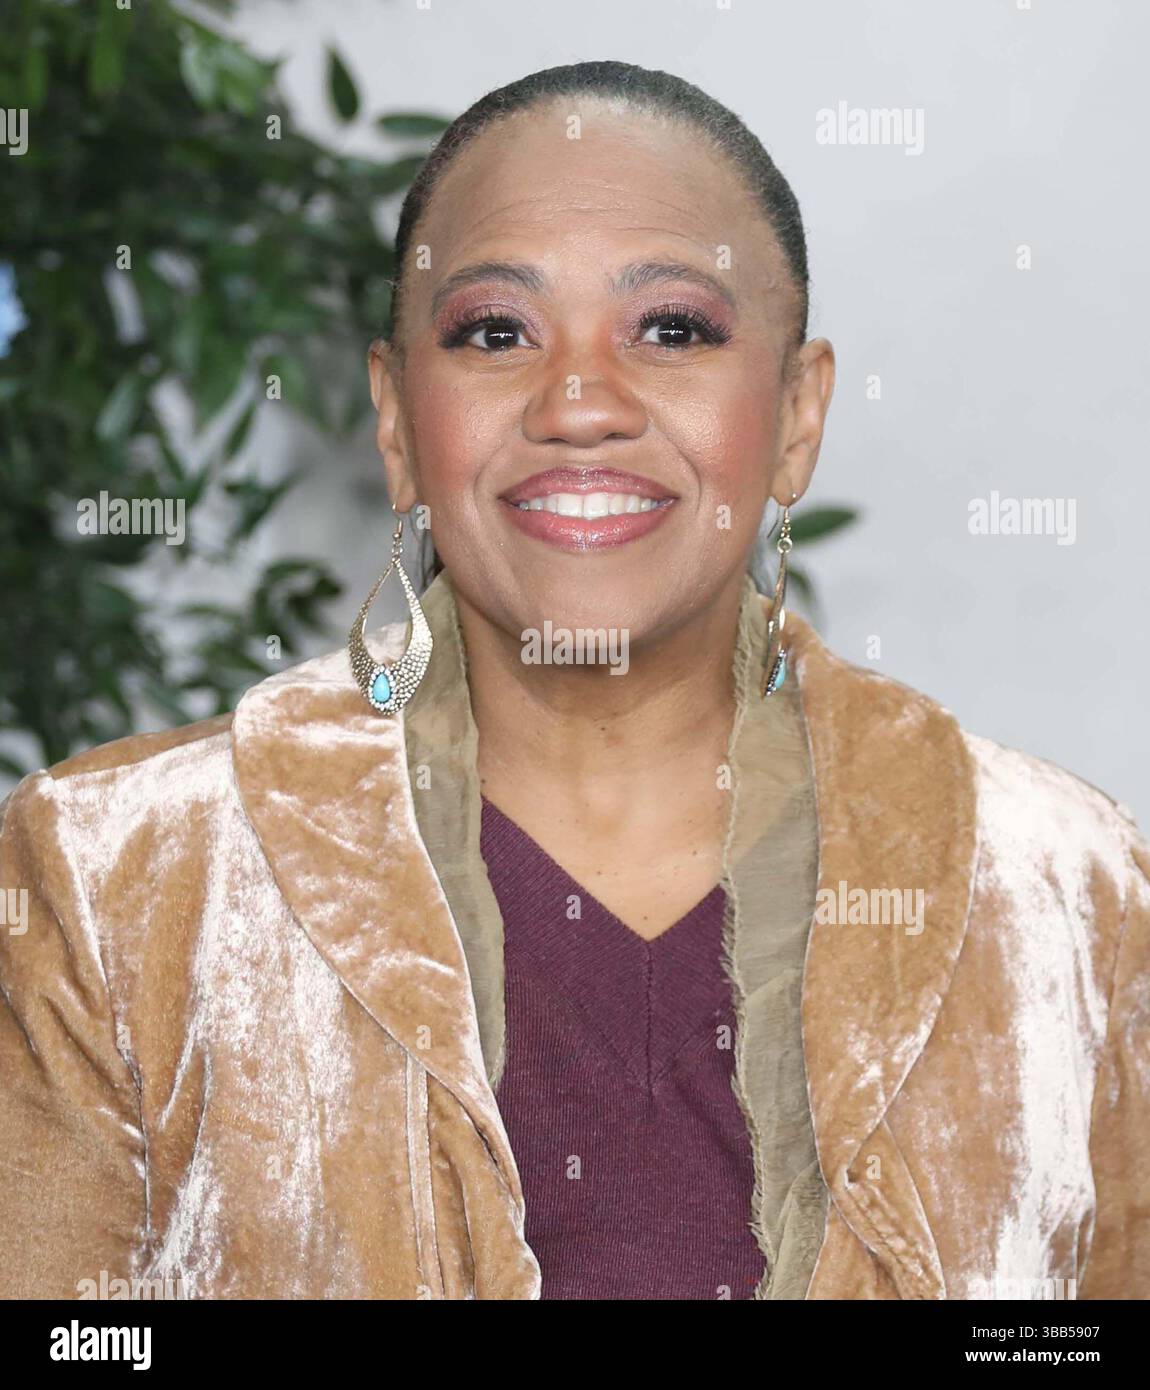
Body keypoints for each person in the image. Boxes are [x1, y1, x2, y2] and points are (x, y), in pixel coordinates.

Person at [1, 60, 1146, 1302]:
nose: (581, 403)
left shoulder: (1067, 888)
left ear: (799, 416)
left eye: (672, 330)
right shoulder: (106, 883)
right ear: (396, 424)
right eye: (496, 332)